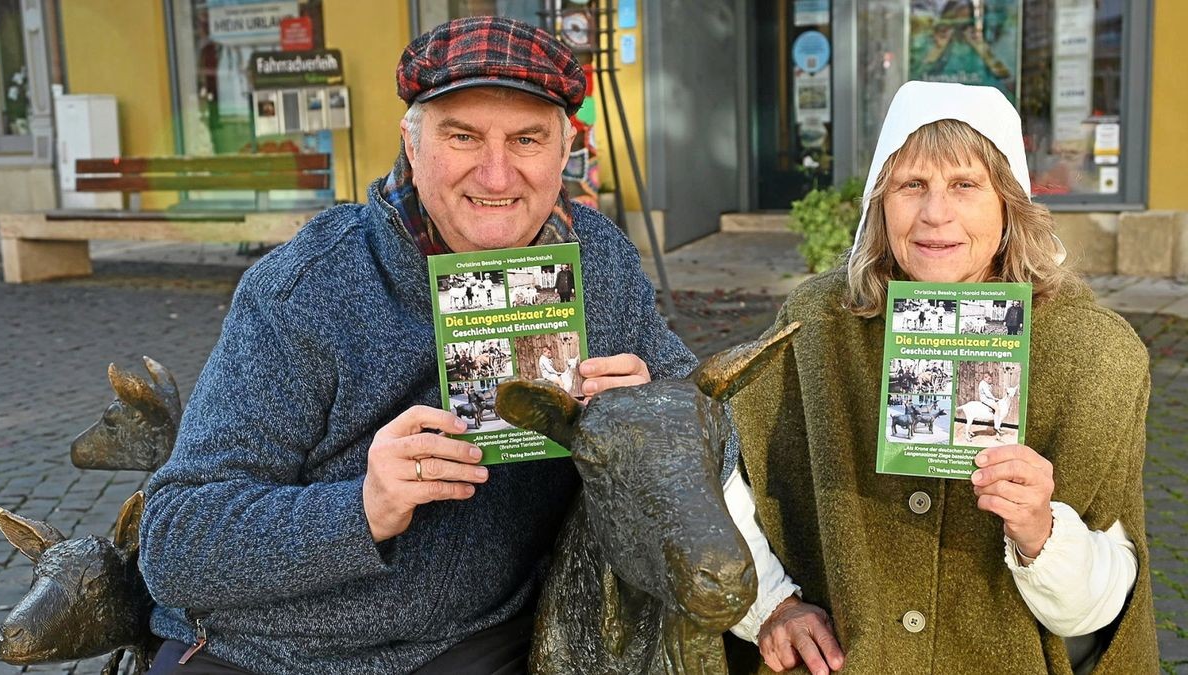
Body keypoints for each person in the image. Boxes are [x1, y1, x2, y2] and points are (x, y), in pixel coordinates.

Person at [139, 16, 808, 674]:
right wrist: (361, 507)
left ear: (566, 147)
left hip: (477, 638)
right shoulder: (306, 288)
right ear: (412, 141)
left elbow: (705, 428)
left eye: (526, 139)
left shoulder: (594, 262)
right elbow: (173, 541)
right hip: (269, 652)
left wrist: (655, 409)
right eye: (462, 136)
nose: (496, 175)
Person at [734, 81, 1157, 673]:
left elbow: (1104, 610)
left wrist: (1042, 530)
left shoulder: (1096, 355)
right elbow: (723, 479)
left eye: (965, 185)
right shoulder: (817, 323)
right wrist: (770, 606)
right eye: (912, 186)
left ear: (1009, 203)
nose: (936, 214)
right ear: (880, 202)